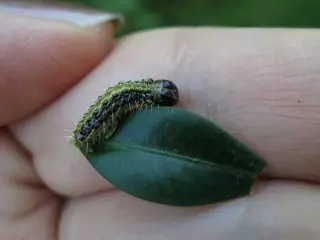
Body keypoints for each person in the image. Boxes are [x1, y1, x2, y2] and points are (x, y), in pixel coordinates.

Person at [1, 3, 320, 240]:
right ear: (151, 95)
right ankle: (87, 136)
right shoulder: (123, 101)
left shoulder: (129, 98)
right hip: (90, 135)